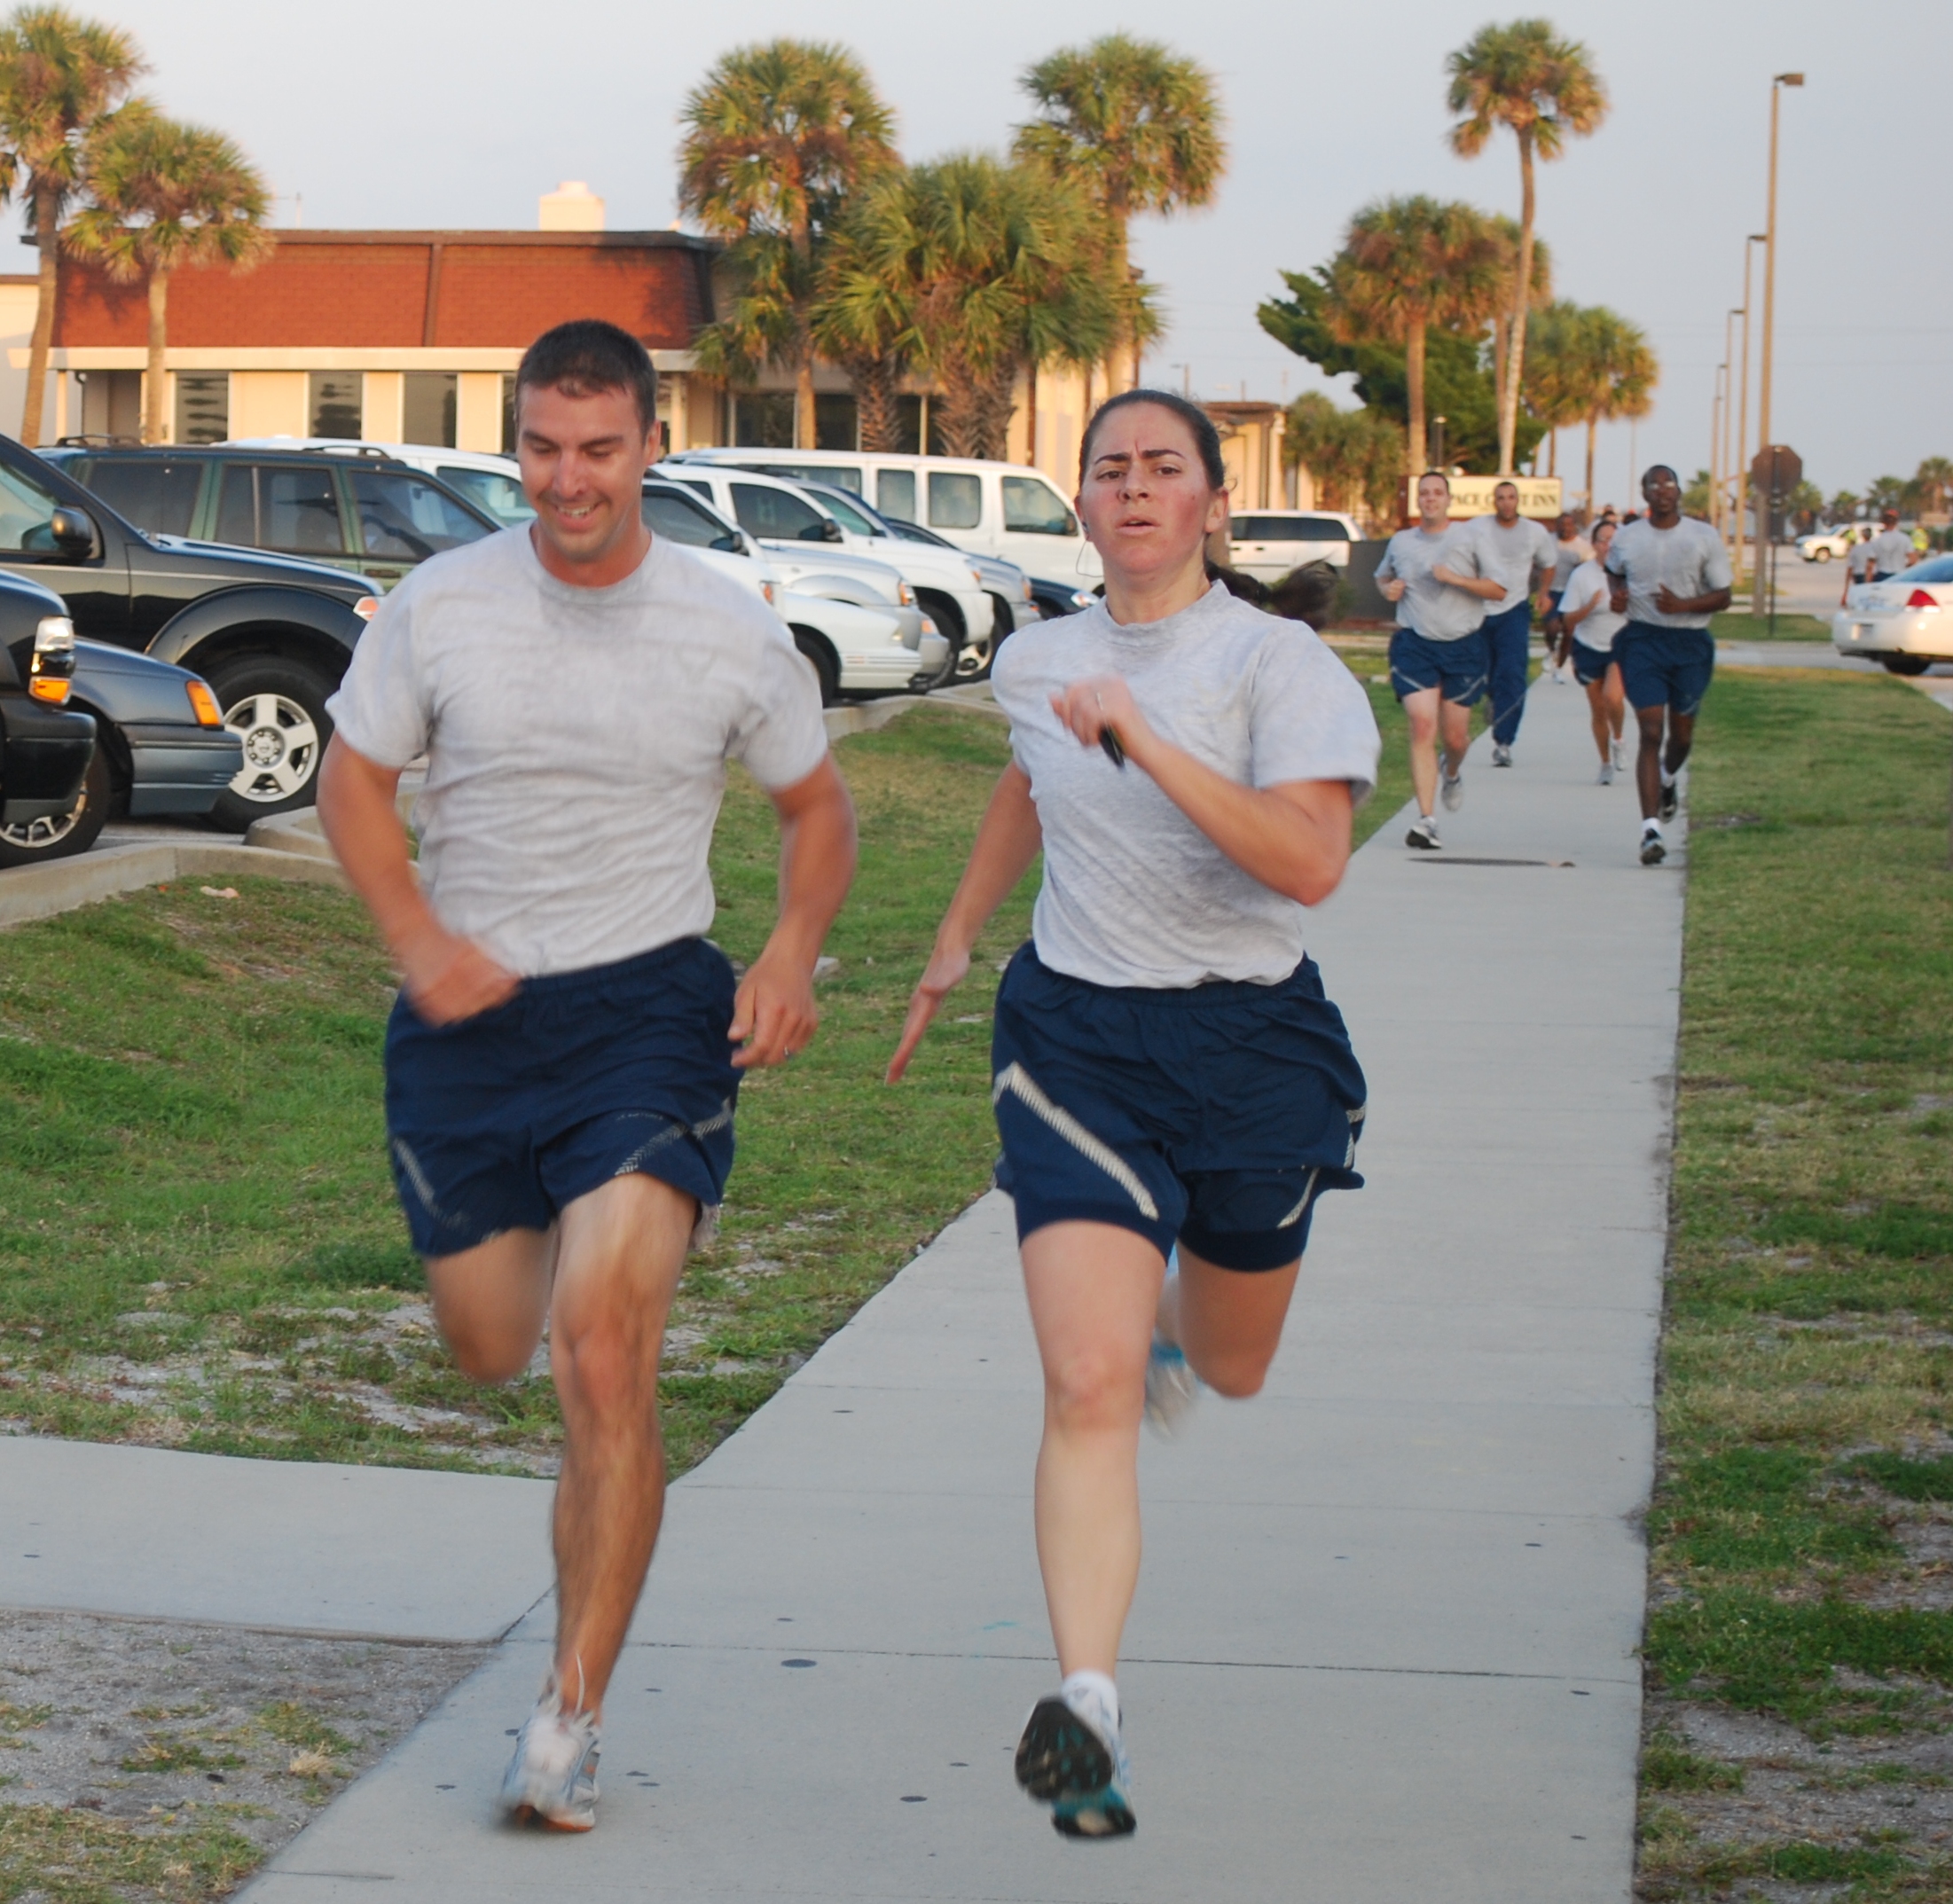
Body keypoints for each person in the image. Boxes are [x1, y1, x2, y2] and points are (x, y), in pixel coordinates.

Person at [315, 319, 857, 1832]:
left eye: (599, 449)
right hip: (467, 1022)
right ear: (518, 448)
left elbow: (817, 812)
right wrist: (416, 935)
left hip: (648, 1014)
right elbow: (351, 780)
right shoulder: (442, 606)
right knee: (492, 1347)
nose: (569, 481)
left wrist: (790, 951)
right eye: (543, 450)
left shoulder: (723, 624)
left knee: (600, 1350)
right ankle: (552, 1229)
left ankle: (568, 1715)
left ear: (648, 447)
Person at [885, 389, 1377, 1840]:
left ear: (1213, 504)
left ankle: (1180, 1319)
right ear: (1083, 505)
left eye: (1166, 467)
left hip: (1251, 1045)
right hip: (1075, 1035)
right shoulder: (1039, 657)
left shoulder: (1277, 665)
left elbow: (1305, 862)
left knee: (1227, 1364)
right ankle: (1085, 1703)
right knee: (1085, 1381)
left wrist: (1149, 740)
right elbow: (1029, 788)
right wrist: (956, 936)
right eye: (1111, 470)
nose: (1137, 488)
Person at [1604, 464, 1733, 865]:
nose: (1663, 490)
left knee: (1680, 737)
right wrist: (1618, 597)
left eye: (1669, 484)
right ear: (1644, 494)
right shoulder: (1626, 538)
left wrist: (1684, 606)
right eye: (1654, 485)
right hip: (1643, 639)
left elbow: (1724, 595)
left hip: (1690, 641)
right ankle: (1650, 831)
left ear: (1678, 492)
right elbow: (1614, 574)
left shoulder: (1701, 536)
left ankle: (1667, 777)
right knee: (1649, 730)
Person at [1375, 471, 1504, 849]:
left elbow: (1498, 589)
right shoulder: (1401, 541)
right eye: (1424, 494)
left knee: (1456, 737)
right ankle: (1426, 819)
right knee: (1422, 725)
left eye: (1437, 493)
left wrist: (1458, 580)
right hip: (1415, 643)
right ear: (1418, 500)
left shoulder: (1471, 537)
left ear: (1449, 500)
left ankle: (1452, 771)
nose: (1430, 499)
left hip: (1463, 645)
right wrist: (1390, 589)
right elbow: (1383, 579)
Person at [1463, 480, 1557, 764]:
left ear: (1518, 501)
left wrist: (1543, 593)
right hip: (1479, 609)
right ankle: (1492, 698)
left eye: (1511, 497)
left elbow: (1548, 564)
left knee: (1513, 674)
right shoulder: (1477, 528)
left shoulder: (1534, 532)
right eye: (1501, 497)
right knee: (1482, 673)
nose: (1506, 502)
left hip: (1514, 609)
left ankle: (1504, 740)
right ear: (1494, 501)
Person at [1554, 517, 1627, 782]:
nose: (1609, 545)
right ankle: (1605, 762)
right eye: (1603, 540)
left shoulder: (1629, 573)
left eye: (1614, 540)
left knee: (1613, 697)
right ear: (1594, 545)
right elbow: (1567, 620)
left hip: (1620, 645)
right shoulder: (1582, 575)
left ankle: (1618, 739)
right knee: (1598, 709)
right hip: (1588, 646)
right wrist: (1590, 607)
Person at [1541, 511, 1592, 654]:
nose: (1565, 528)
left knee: (1569, 630)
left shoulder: (1583, 546)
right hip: (1552, 591)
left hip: (1571, 592)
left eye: (1569, 525)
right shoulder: (1548, 542)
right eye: (1562, 525)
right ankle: (1551, 651)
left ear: (1574, 526)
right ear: (1556, 526)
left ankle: (1562, 660)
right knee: (1552, 628)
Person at [1864, 507, 1917, 583]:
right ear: (1896, 522)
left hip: (1882, 576)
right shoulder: (1905, 538)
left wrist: (1867, 583)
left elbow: (1870, 566)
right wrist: (1905, 568)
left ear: (1883, 522)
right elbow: (1913, 560)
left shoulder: (1877, 541)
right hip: (1900, 575)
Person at [1841, 524, 1877, 604]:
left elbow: (1850, 568)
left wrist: (1845, 591)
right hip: (1873, 576)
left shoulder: (1856, 549)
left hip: (1858, 575)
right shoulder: (1875, 547)